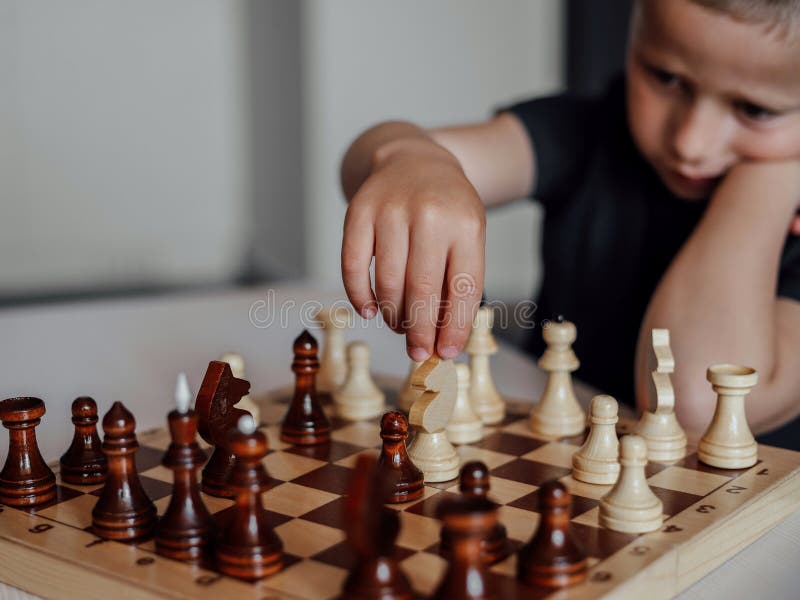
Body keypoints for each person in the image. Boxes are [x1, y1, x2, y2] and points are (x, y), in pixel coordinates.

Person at [338, 0, 800, 447]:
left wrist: (773, 179)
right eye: (666, 77)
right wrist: (410, 158)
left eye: (756, 110)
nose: (691, 142)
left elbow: (691, 403)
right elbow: (362, 166)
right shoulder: (590, 133)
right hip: (555, 475)